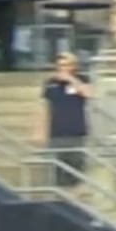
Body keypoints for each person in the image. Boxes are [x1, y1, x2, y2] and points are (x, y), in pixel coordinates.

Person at [39, 53, 92, 189]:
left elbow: (88, 94)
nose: (62, 68)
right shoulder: (51, 83)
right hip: (56, 133)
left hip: (76, 132)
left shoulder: (82, 79)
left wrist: (70, 79)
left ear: (74, 66)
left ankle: (76, 196)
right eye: (60, 65)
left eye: (66, 65)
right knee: (57, 171)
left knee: (76, 169)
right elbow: (44, 107)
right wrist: (39, 131)